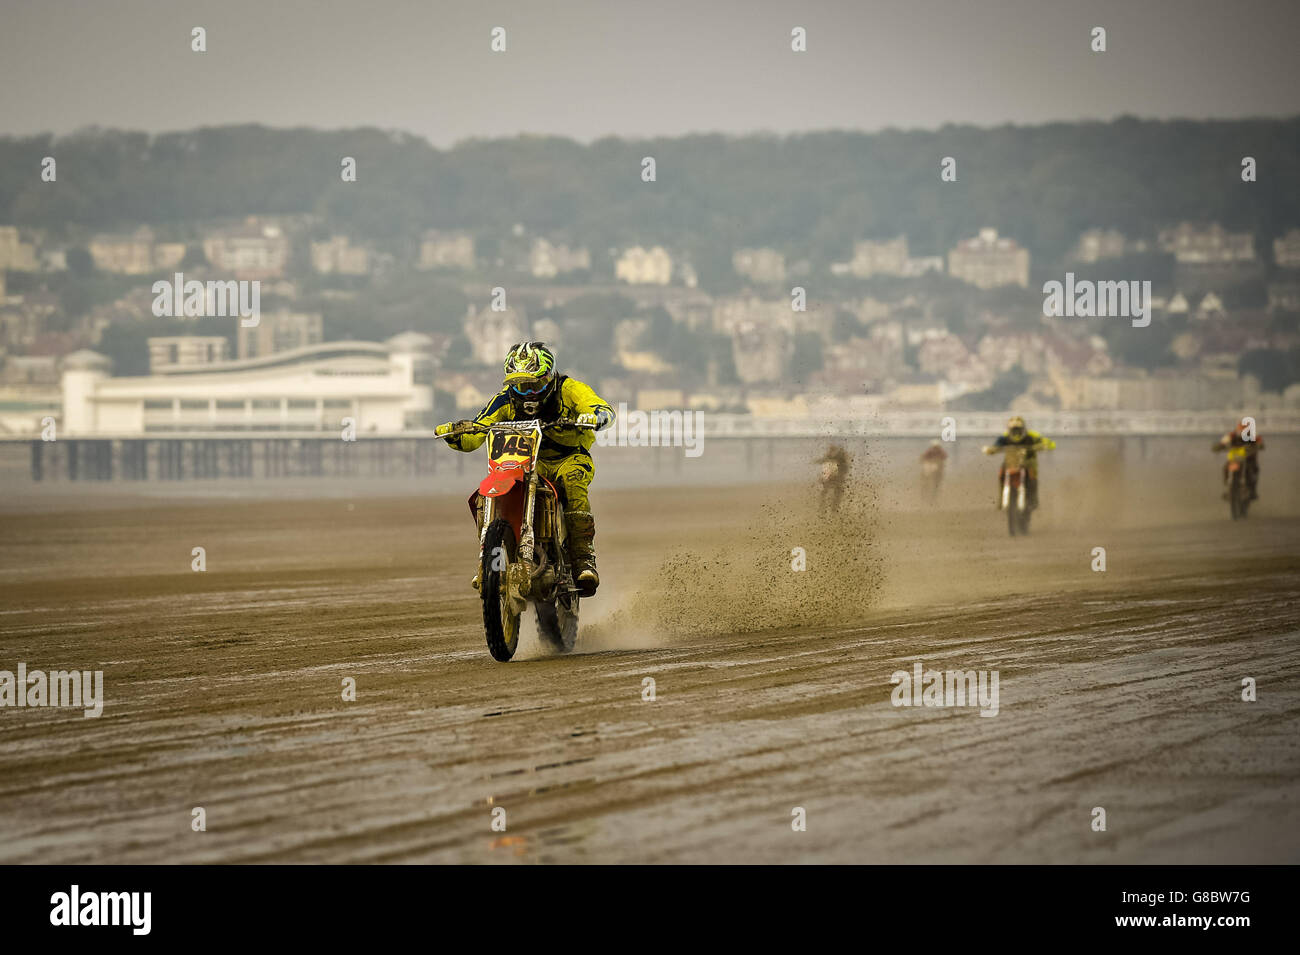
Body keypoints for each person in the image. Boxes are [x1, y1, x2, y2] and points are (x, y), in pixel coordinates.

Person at [435, 341, 615, 595]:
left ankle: (584, 559)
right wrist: (456, 433)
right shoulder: (504, 401)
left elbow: (601, 408)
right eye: (521, 386)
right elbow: (477, 431)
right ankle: (490, 561)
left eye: (535, 384)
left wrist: (595, 416)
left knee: (574, 487)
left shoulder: (570, 389)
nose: (529, 393)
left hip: (569, 458)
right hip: (526, 461)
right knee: (488, 493)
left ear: (549, 377)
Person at [982, 416, 1056, 509]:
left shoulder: (1032, 436)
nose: (1015, 432)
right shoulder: (1005, 437)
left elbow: (1049, 443)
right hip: (1011, 461)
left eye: (1018, 429)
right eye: (1013, 429)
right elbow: (996, 446)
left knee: (1032, 476)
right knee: (1001, 473)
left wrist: (1043, 446)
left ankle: (1033, 500)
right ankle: (1001, 499)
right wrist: (990, 450)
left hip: (1028, 461)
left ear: (1023, 428)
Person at [1212, 418, 1264, 500]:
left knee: (1254, 471)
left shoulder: (1253, 436)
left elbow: (1260, 442)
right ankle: (1228, 488)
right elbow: (1224, 441)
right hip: (1235, 459)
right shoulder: (1232, 435)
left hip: (1249, 459)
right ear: (1238, 428)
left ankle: (1253, 491)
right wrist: (1219, 446)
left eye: (1245, 428)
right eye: (1241, 427)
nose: (1242, 429)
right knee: (1225, 468)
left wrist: (1259, 445)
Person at [817, 443, 850, 514]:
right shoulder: (830, 459)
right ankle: (826, 509)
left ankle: (832, 509)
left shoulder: (839, 461)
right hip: (830, 479)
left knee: (835, 493)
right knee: (825, 493)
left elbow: (844, 471)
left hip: (835, 479)